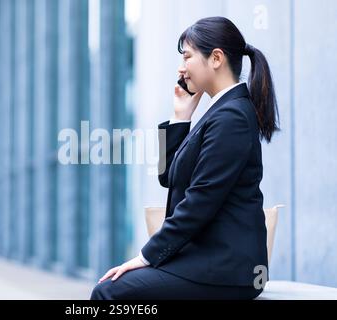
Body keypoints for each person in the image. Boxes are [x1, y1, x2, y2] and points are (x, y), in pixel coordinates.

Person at [90, 16, 279, 300]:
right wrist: (180, 118)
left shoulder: (232, 117)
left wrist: (145, 256)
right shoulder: (220, 112)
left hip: (226, 269)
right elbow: (168, 176)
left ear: (216, 58)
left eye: (188, 56)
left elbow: (200, 201)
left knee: (109, 293)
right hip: (207, 261)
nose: (181, 67)